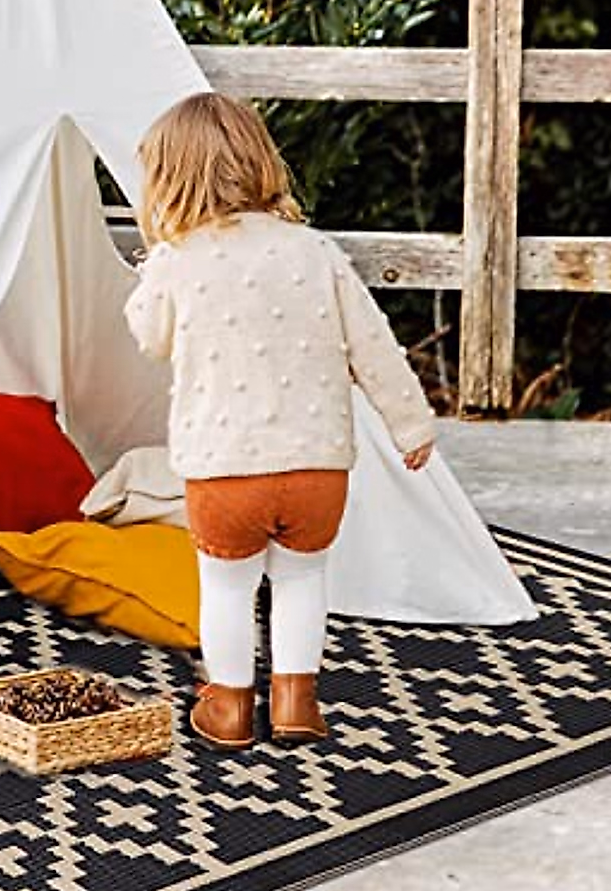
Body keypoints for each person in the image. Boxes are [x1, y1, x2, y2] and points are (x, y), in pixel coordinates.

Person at [124, 92, 436, 750]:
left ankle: (230, 708)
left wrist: (152, 268)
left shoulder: (179, 259)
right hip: (317, 467)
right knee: (301, 579)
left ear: (169, 180)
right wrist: (411, 427)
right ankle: (296, 703)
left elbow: (150, 336)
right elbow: (374, 348)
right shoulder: (314, 251)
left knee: (226, 587)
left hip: (224, 471)